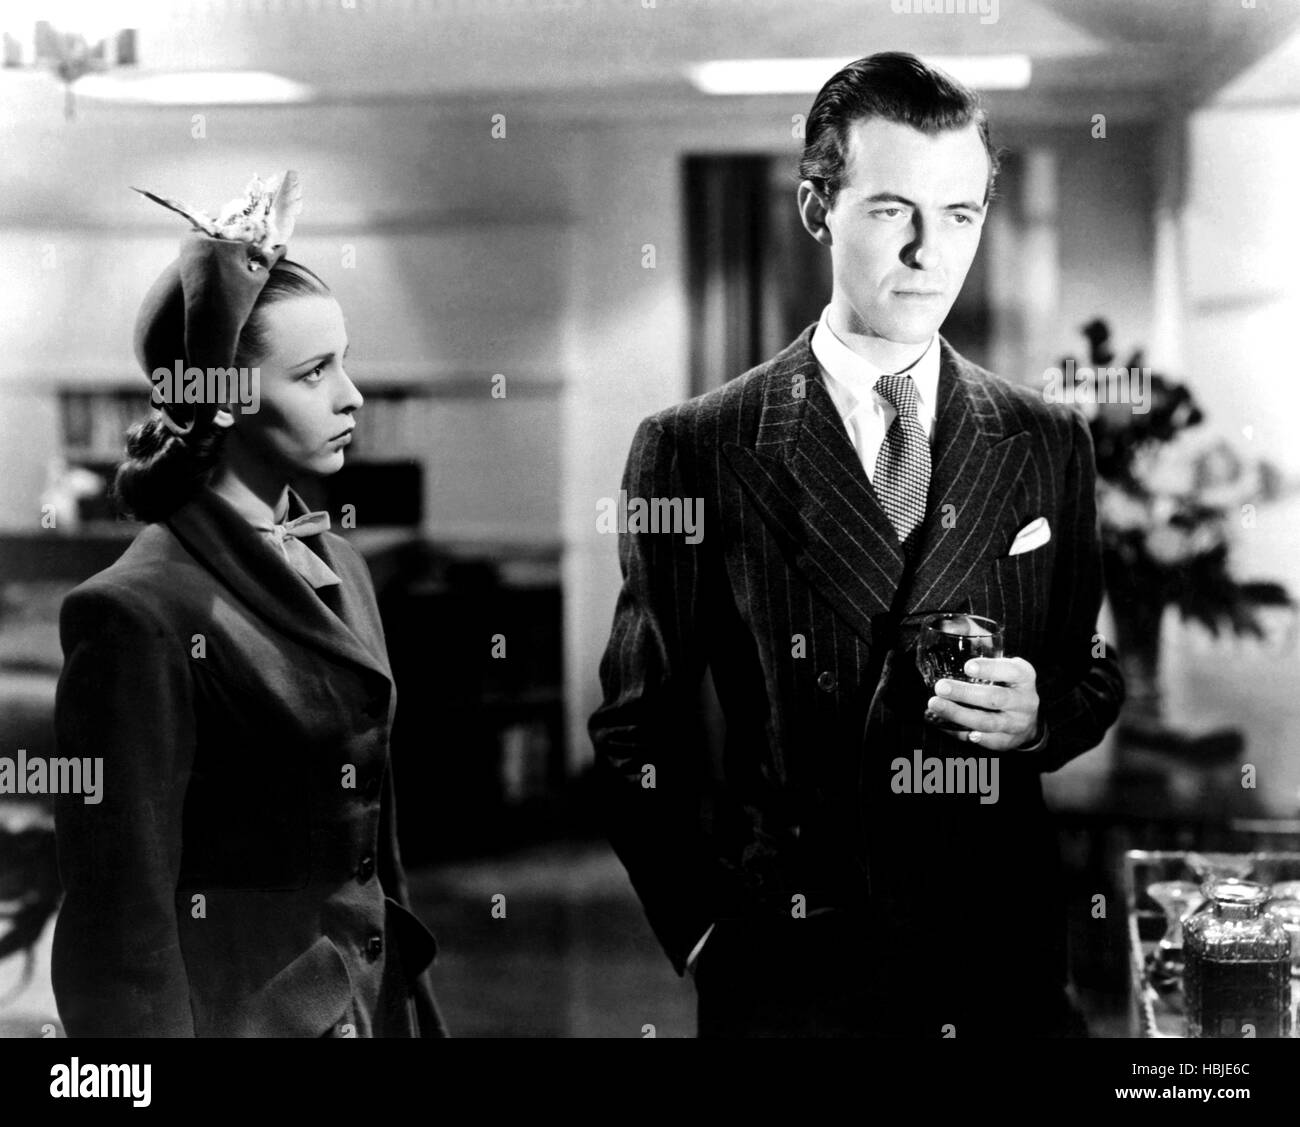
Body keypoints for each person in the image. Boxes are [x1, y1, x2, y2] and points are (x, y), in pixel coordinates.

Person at [589, 53, 1125, 1038]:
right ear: (814, 208)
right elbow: (636, 733)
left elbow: (1091, 671)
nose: (929, 251)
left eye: (958, 214)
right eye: (891, 210)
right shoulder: (696, 447)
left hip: (996, 958)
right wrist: (708, 931)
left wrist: (1040, 712)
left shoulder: (1049, 440)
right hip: (795, 968)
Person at [51, 173, 447, 1037]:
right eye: (314, 372)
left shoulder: (339, 561)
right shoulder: (137, 615)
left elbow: (371, 846)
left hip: (370, 1006)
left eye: (345, 360)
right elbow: (120, 924)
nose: (353, 396)